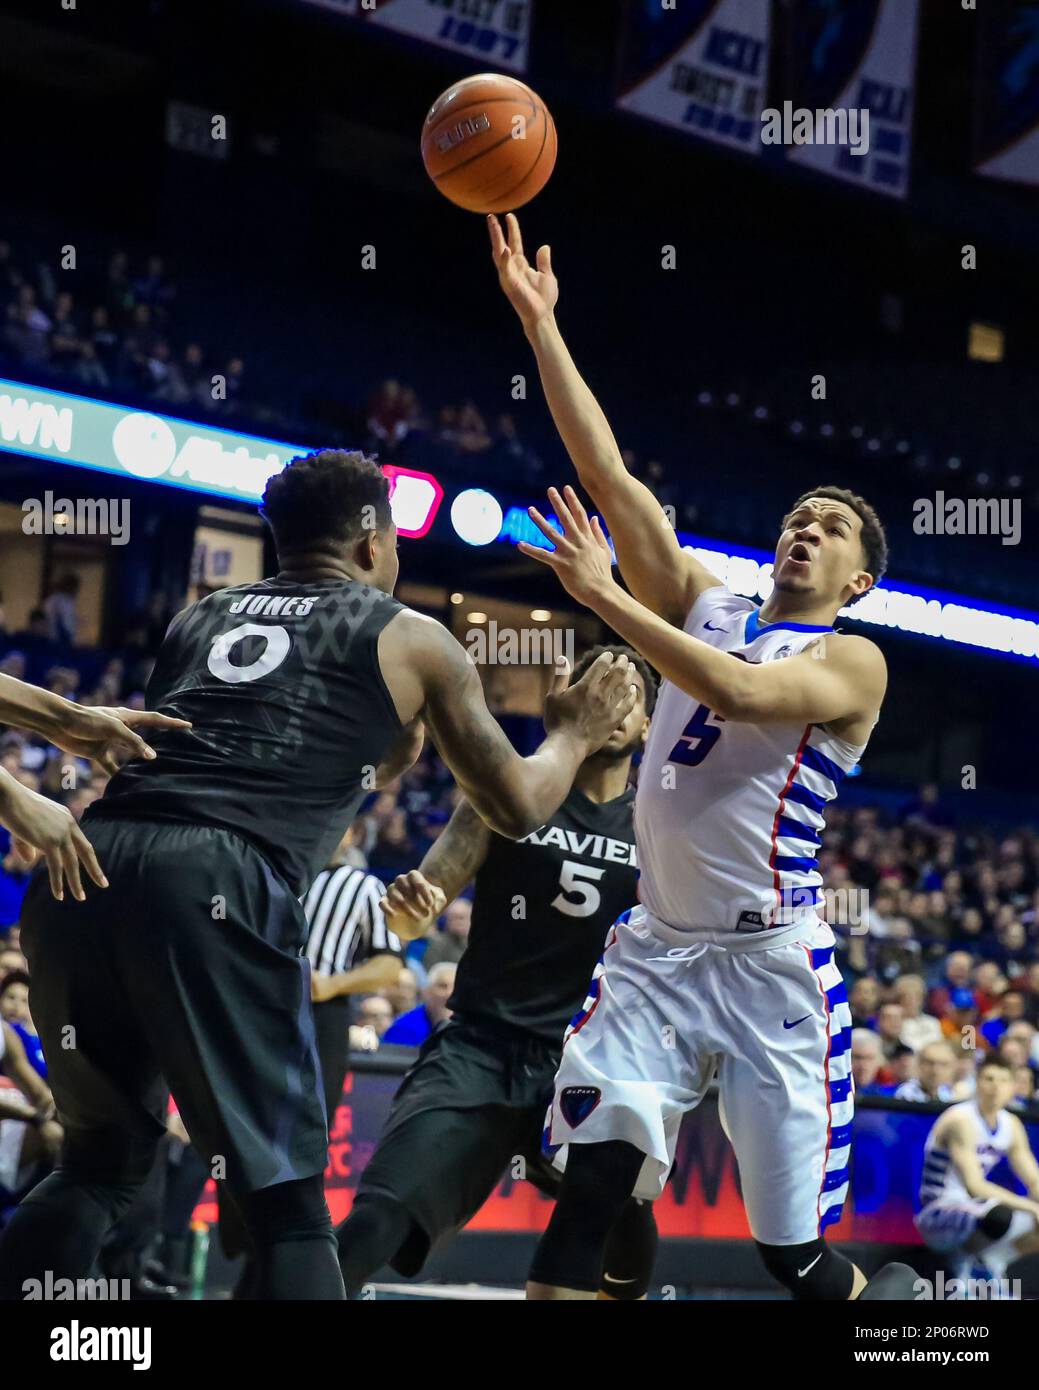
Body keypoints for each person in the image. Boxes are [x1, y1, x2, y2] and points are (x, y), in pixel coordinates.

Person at [0, 449, 637, 1303]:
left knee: (96, 1168)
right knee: (293, 1212)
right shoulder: (413, 636)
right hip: (215, 878)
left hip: (90, 861)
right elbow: (519, 808)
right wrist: (571, 732)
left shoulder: (206, 616)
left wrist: (393, 751)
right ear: (374, 541)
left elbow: (288, 745)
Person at [487, 212, 916, 1302]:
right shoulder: (706, 599)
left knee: (793, 1259)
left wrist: (604, 600)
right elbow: (609, 474)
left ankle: (910, 1323)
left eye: (830, 528)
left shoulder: (850, 660)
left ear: (858, 578)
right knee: (590, 1187)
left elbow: (738, 691)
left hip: (772, 966)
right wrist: (543, 327)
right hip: (656, 956)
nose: (805, 527)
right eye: (798, 514)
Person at [336, 645, 659, 1300]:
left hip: (596, 1060)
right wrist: (410, 910)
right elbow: (411, 916)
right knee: (377, 1216)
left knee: (624, 1219)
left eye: (628, 691)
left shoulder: (663, 828)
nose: (610, 698)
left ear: (650, 724)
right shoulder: (506, 788)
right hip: (481, 1047)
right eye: (600, 683)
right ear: (569, 701)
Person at [303, 828, 403, 1124]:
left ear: (352, 835)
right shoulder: (275, 875)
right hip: (261, 1009)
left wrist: (332, 984)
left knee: (312, 1123)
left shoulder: (364, 886)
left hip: (323, 1014)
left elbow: (390, 965)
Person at [916, 1057, 1039, 1283]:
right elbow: (975, 1186)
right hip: (938, 1212)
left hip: (971, 1210)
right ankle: (963, 1268)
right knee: (998, 1216)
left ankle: (993, 1263)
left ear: (1013, 1087)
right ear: (977, 1082)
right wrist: (1031, 1206)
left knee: (1015, 1216)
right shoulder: (960, 1119)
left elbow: (1033, 1179)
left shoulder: (1011, 1123)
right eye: (988, 1079)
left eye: (1003, 1080)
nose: (995, 1087)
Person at [381, 963, 456, 1047]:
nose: (449, 993)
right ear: (427, 991)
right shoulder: (404, 1028)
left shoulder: (468, 1028)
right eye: (442, 986)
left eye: (455, 987)